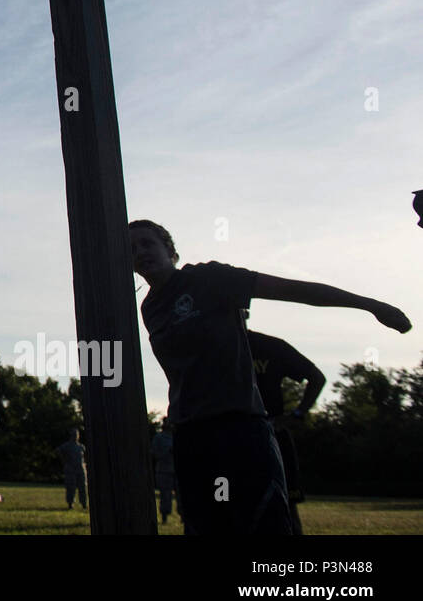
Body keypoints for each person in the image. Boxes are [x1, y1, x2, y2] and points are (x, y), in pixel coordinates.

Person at [129, 219, 411, 535]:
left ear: (169, 249)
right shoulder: (149, 307)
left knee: (265, 526)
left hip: (240, 431)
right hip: (191, 437)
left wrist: (370, 305)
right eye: (131, 249)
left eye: (147, 243)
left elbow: (294, 290)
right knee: (206, 528)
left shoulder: (209, 279)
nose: (140, 252)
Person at [247, 329, 326, 534]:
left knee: (286, 511)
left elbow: (317, 378)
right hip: (232, 439)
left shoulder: (270, 346)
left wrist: (297, 414)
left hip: (272, 438)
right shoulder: (212, 346)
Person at [150, 420, 177, 524]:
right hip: (163, 470)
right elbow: (154, 453)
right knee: (165, 495)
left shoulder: (174, 436)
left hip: (174, 469)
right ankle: (164, 516)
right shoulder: (159, 438)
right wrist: (166, 452)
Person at [55, 429, 88, 510]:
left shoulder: (81, 446)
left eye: (76, 434)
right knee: (71, 487)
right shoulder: (67, 445)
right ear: (71, 435)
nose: (75, 436)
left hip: (81, 470)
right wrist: (64, 461)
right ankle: (70, 504)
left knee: (83, 487)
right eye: (74, 434)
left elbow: (85, 456)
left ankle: (84, 504)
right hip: (71, 470)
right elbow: (58, 451)